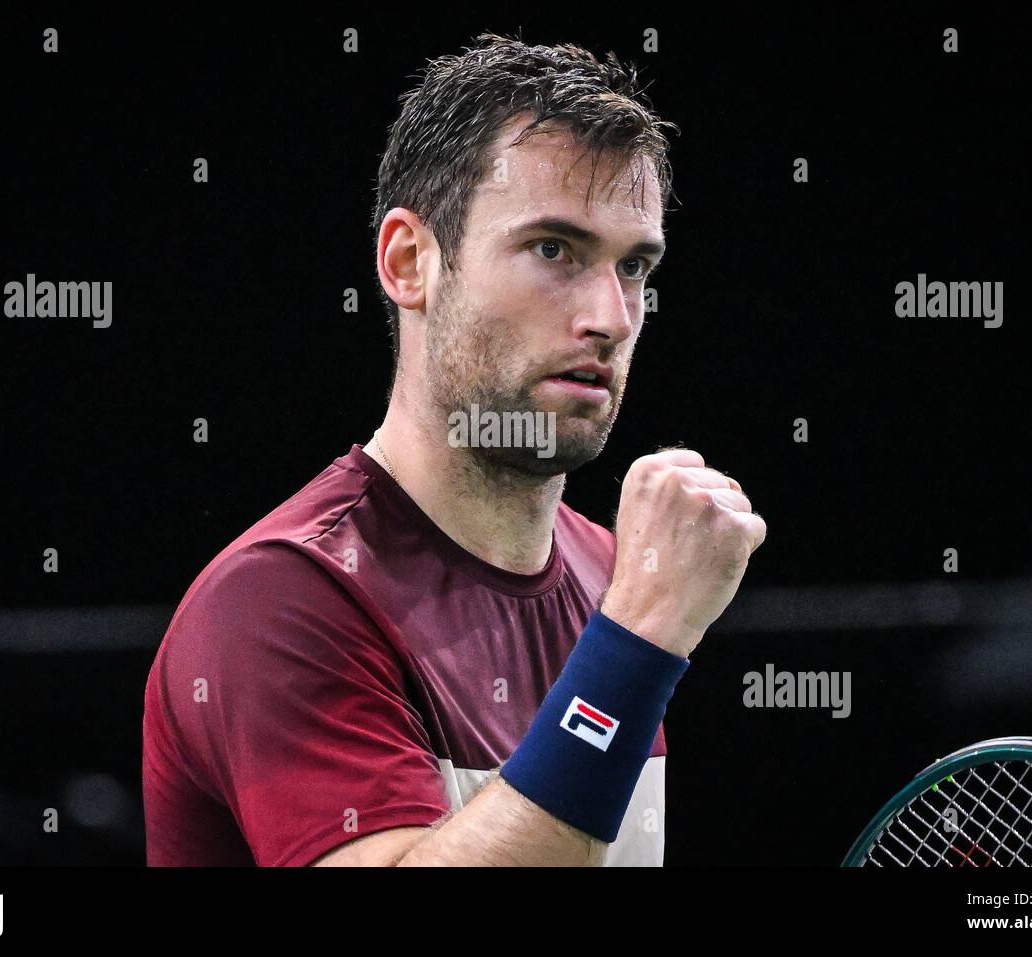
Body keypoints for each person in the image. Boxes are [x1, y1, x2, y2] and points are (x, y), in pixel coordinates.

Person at [142, 32, 766, 867]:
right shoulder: (280, 599)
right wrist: (640, 638)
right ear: (410, 263)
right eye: (554, 249)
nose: (611, 316)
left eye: (635, 268)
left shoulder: (611, 576)